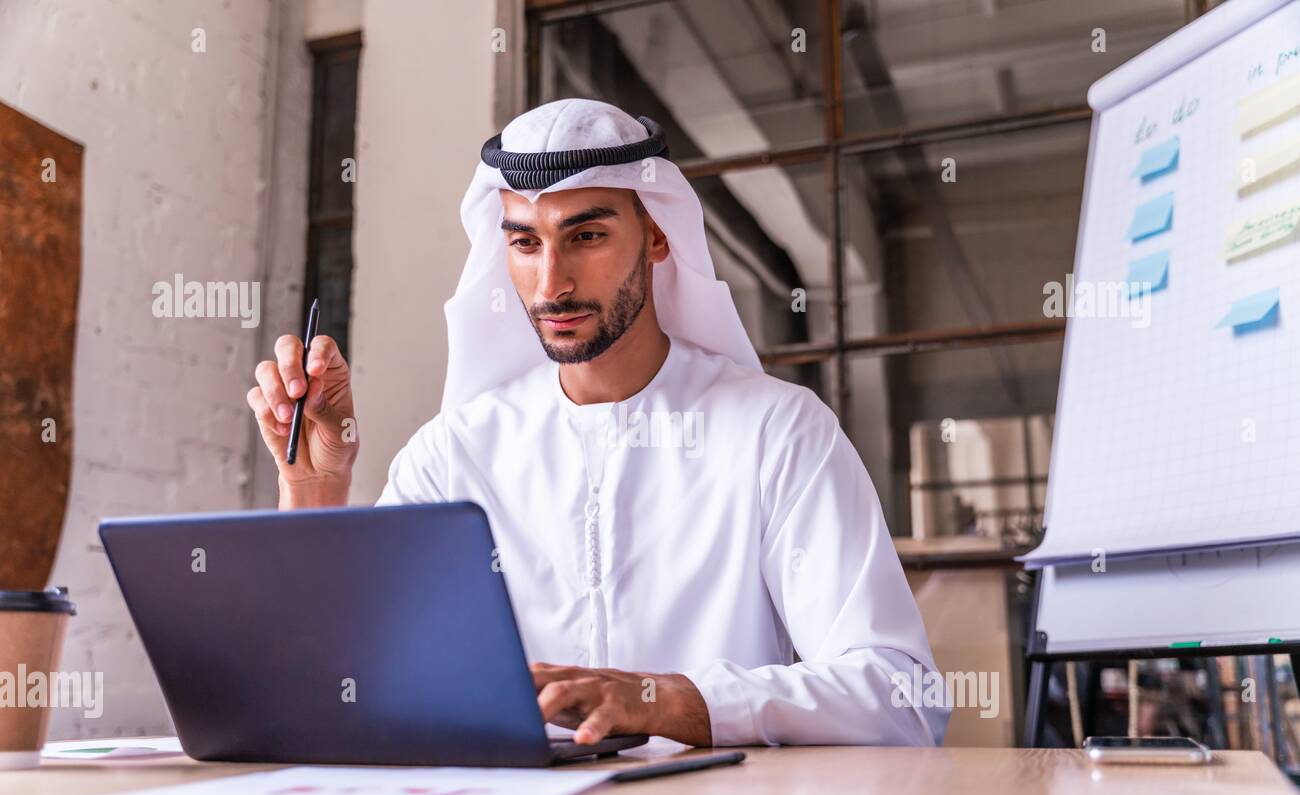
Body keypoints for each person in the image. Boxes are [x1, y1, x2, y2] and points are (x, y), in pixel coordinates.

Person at [246, 98, 950, 749]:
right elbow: (326, 693)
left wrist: (669, 702)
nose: (552, 282)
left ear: (658, 236)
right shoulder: (453, 454)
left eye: (585, 235)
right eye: (524, 243)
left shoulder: (777, 433)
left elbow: (903, 695)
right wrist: (313, 490)